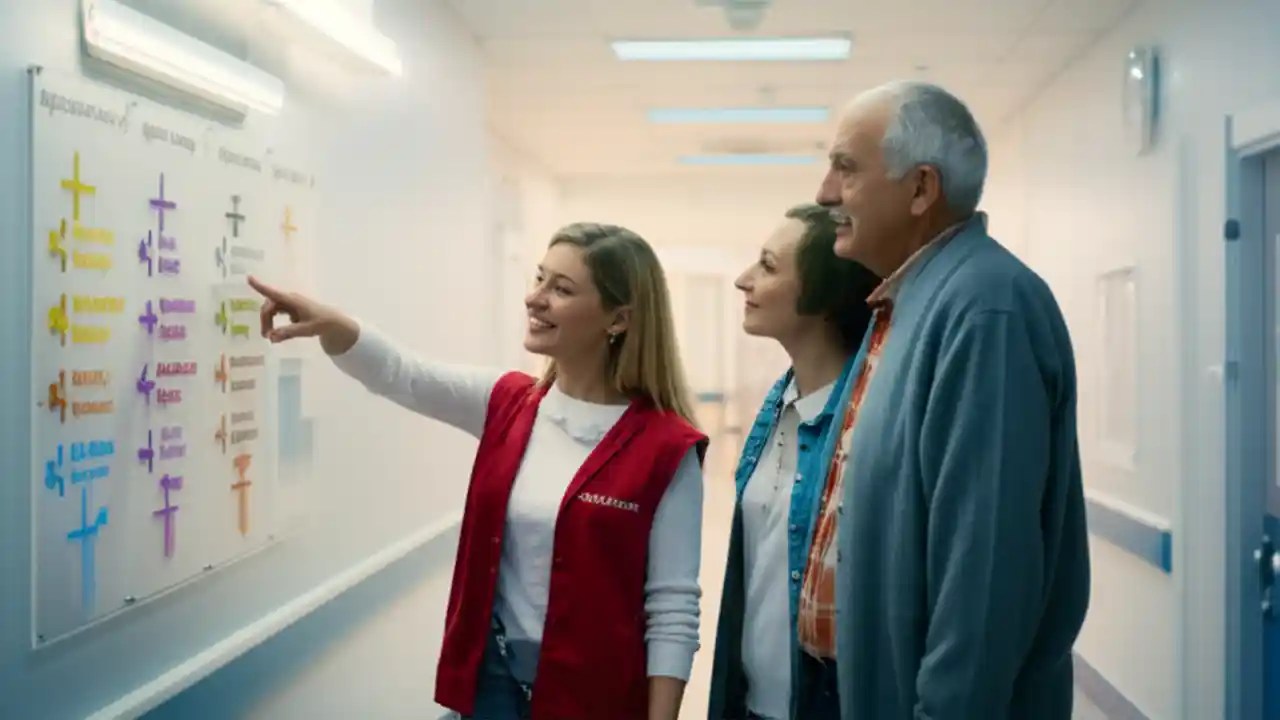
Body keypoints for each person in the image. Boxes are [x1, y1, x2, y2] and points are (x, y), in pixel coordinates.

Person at [247, 223, 707, 720]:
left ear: (618, 319)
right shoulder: (507, 402)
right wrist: (332, 325)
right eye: (539, 278)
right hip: (493, 689)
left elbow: (672, 609)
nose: (534, 298)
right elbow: (404, 375)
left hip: (595, 699)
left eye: (561, 289)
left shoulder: (667, 448)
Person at [804, 80, 1090, 718]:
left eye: (846, 168)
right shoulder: (910, 302)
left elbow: (984, 569)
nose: (825, 193)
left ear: (921, 188)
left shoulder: (984, 309)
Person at [706, 205, 878, 720]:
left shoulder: (866, 427)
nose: (743, 280)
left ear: (824, 296)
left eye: (767, 266)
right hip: (753, 704)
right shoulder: (777, 409)